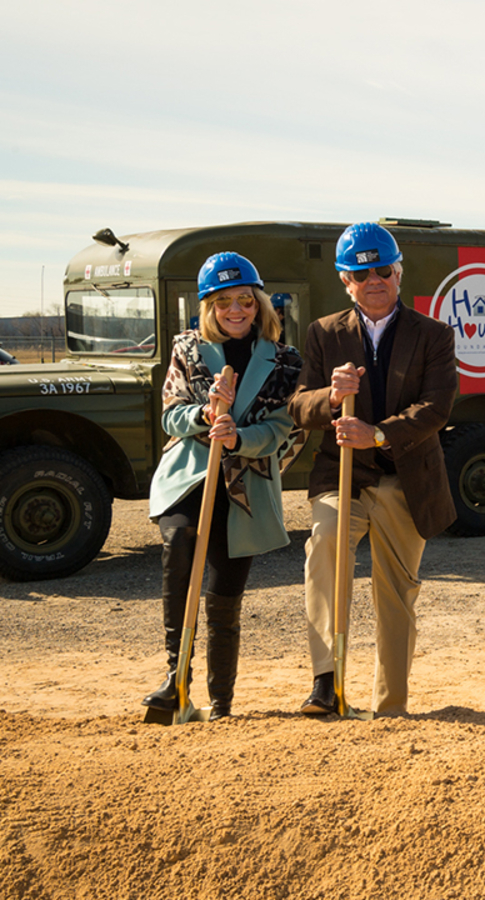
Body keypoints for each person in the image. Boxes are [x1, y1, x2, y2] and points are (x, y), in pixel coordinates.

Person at [290, 222, 458, 716]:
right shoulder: (323, 333)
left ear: (399, 272)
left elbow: (437, 407)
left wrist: (378, 433)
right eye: (361, 274)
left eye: (383, 269)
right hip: (344, 476)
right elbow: (300, 406)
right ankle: (326, 679)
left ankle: (391, 705)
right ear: (346, 280)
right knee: (324, 547)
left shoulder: (434, 335)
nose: (374, 280)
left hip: (408, 480)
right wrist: (332, 397)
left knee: (398, 591)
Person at [143, 252, 301, 719]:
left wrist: (239, 436)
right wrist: (205, 415)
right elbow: (171, 412)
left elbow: (281, 430)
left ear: (259, 304)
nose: (236, 311)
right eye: (224, 302)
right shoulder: (187, 348)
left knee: (225, 591)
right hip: (190, 474)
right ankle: (176, 683)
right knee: (180, 543)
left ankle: (221, 701)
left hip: (247, 486)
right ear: (208, 305)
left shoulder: (285, 362)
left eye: (246, 301)